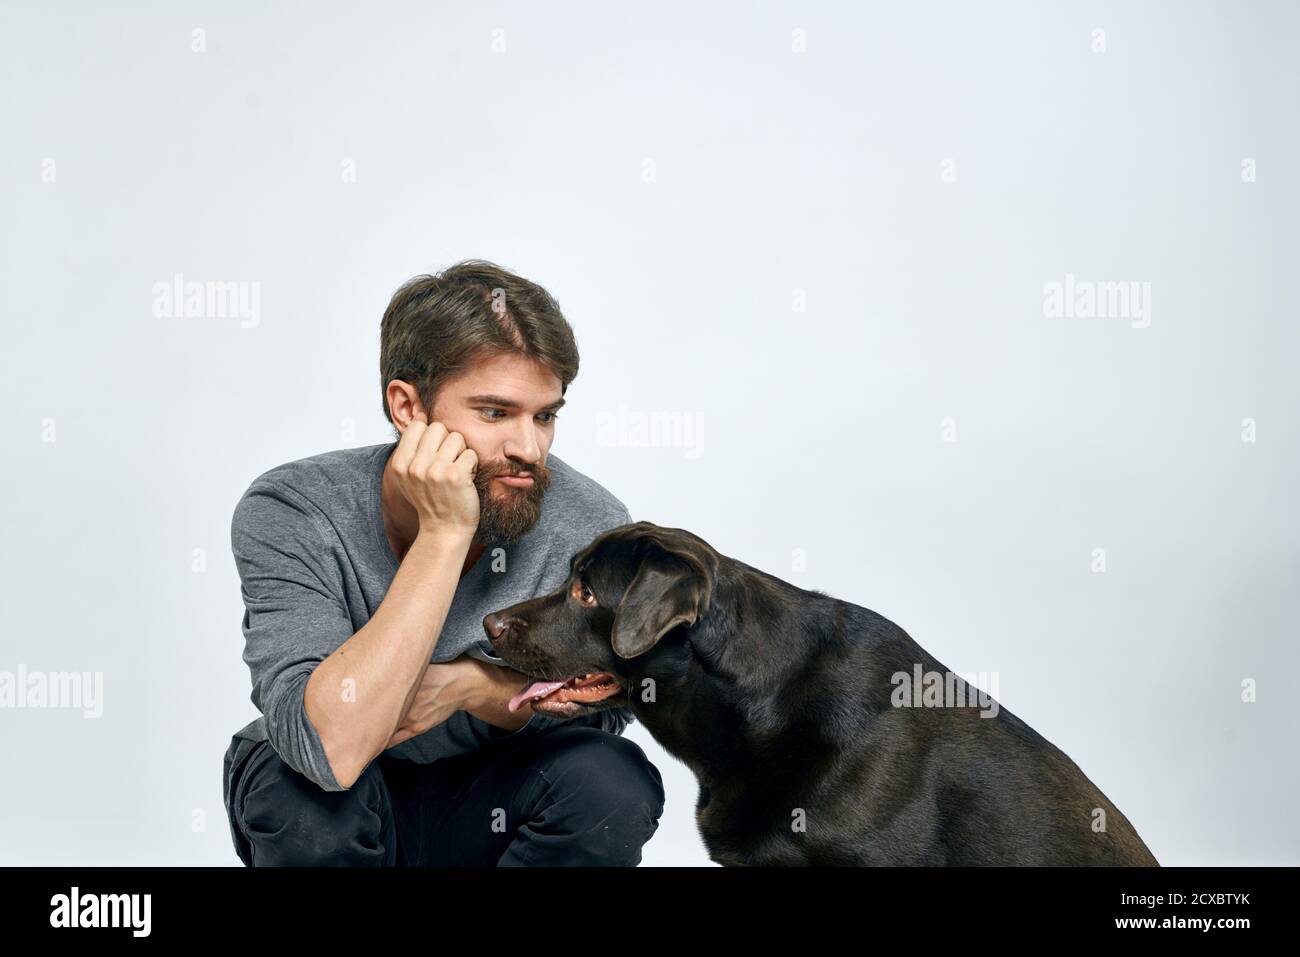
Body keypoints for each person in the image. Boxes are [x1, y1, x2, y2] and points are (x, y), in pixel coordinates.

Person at [221, 260, 664, 866]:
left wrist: (473, 687)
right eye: (494, 413)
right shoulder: (295, 509)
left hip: (494, 793)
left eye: (545, 415)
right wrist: (445, 533)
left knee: (610, 780)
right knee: (300, 795)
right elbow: (327, 750)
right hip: (341, 793)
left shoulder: (588, 522)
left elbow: (601, 718)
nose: (528, 449)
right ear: (408, 408)